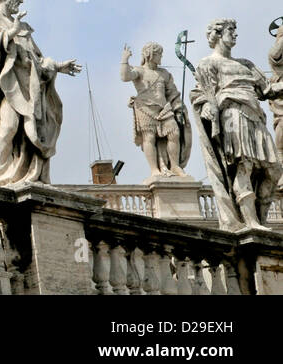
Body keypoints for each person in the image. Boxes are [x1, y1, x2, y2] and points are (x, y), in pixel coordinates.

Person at [0, 0, 79, 185]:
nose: (21, 1)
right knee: (8, 126)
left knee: (24, 132)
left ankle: (21, 172)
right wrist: (10, 33)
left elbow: (36, 57)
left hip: (28, 89)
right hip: (7, 87)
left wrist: (57, 66)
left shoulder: (22, 26)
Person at [190, 19, 283, 230]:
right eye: (231, 30)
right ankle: (249, 222)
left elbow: (267, 90)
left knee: (274, 170)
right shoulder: (208, 64)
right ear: (217, 34)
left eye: (235, 30)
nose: (235, 35)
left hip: (255, 116)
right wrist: (206, 105)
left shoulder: (246, 64)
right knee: (244, 164)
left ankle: (259, 219)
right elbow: (201, 94)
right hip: (232, 115)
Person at [120, 42, 192, 178]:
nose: (161, 57)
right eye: (159, 54)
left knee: (174, 133)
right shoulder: (139, 71)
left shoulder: (164, 73)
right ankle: (154, 169)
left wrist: (179, 108)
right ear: (149, 54)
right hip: (145, 108)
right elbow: (125, 77)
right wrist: (125, 59)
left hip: (164, 109)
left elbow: (172, 93)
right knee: (149, 138)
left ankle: (175, 166)